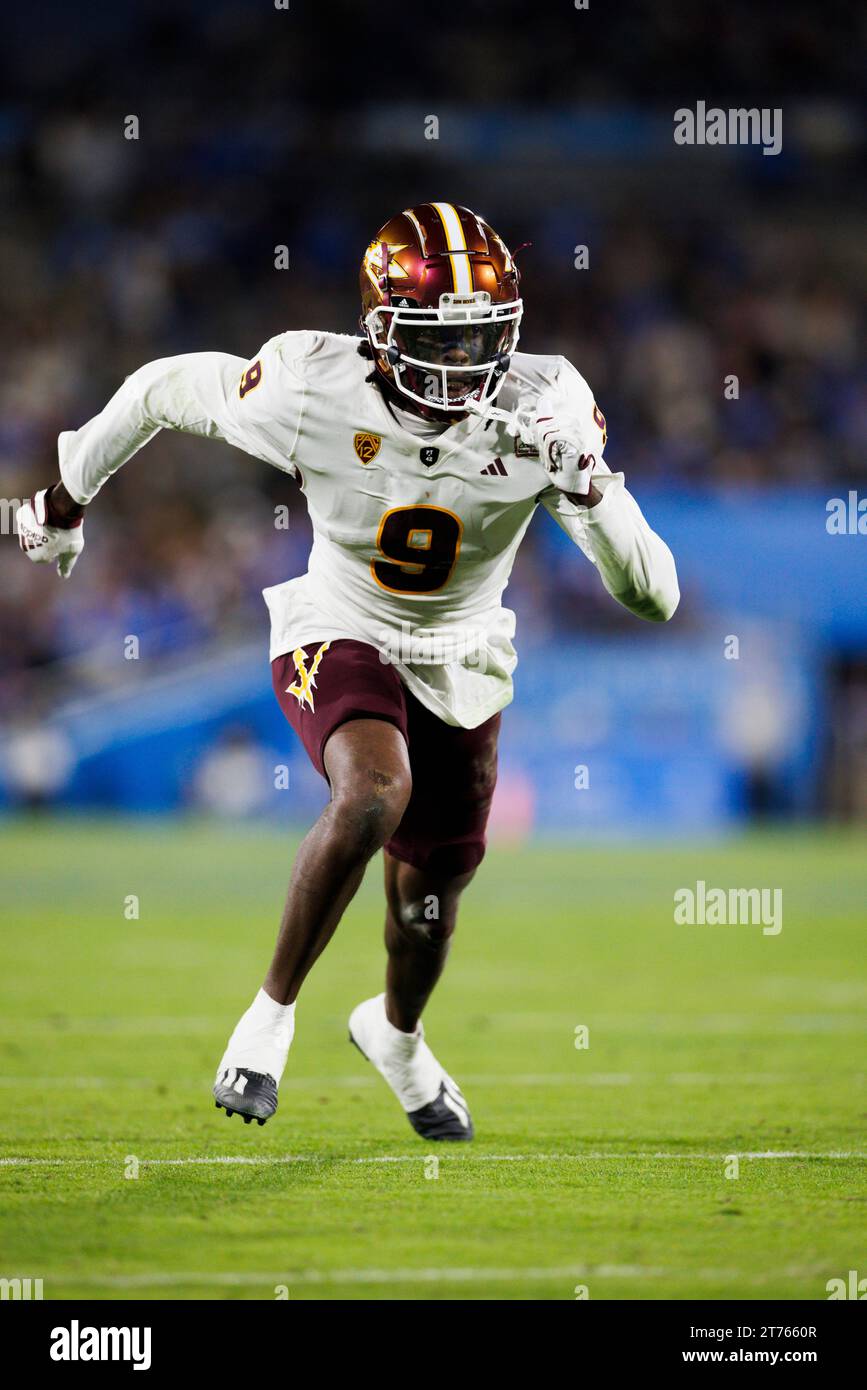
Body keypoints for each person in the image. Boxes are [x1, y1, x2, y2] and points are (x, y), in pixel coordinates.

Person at [17, 202, 679, 1140]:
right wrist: (66, 493)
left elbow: (655, 595)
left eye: (483, 338)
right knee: (373, 792)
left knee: (426, 911)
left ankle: (398, 1037)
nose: (465, 365)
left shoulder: (549, 404)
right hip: (339, 623)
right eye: (439, 342)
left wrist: (588, 484)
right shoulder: (307, 385)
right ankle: (269, 1017)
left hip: (461, 656)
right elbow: (166, 386)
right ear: (380, 332)